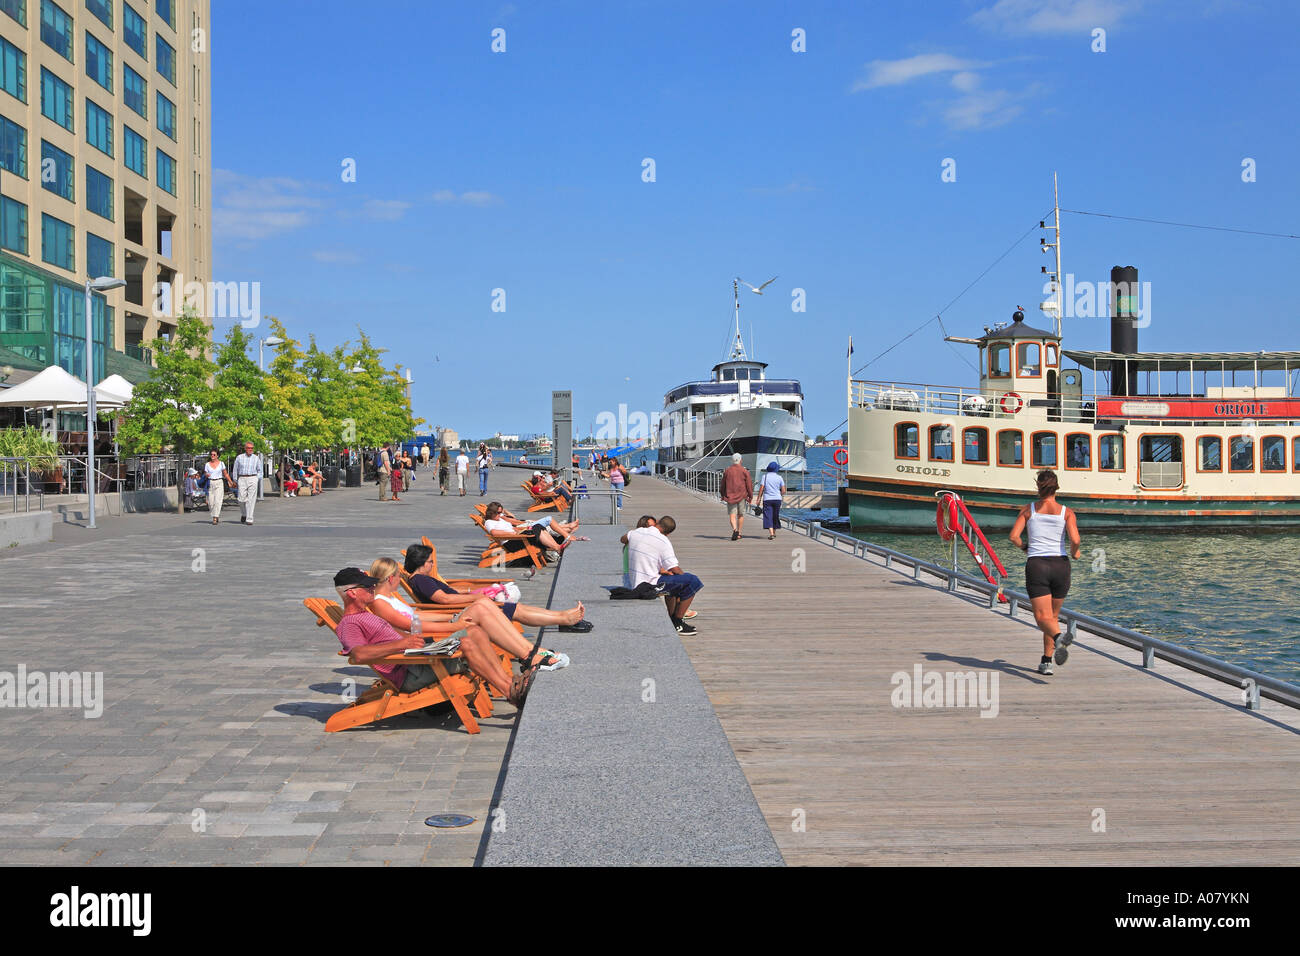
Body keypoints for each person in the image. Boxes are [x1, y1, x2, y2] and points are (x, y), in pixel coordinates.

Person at [332, 567, 538, 708]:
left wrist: (422, 639)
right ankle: (510, 693)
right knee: (466, 642)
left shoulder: (365, 614)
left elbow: (394, 636)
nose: (372, 589)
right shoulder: (349, 623)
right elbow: (359, 655)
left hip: (417, 656)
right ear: (351, 593)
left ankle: (509, 681)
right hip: (410, 671)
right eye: (367, 587)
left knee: (475, 630)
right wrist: (403, 643)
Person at [402, 544, 593, 632]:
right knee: (516, 610)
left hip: (467, 606)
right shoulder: (421, 580)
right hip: (464, 611)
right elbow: (445, 600)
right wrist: (479, 599)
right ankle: (563, 619)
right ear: (421, 563)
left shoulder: (422, 578)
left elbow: (450, 593)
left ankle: (562, 616)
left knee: (517, 608)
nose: (432, 564)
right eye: (430, 561)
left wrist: (478, 591)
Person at [1009, 469, 1082, 676]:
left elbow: (1014, 536)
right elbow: (1075, 540)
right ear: (1056, 487)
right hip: (1061, 566)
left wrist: (1025, 547)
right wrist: (1075, 553)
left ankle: (1059, 638)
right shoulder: (1066, 512)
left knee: (1042, 618)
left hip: (1038, 564)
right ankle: (1046, 661)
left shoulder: (1029, 510)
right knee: (1052, 616)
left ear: (1038, 487)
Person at [622, 515, 701, 635]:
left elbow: (623, 539)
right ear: (668, 533)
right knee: (693, 581)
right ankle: (678, 622)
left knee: (672, 580)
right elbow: (674, 568)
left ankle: (672, 618)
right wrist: (682, 577)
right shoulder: (663, 540)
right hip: (648, 585)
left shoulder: (638, 531)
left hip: (634, 581)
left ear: (657, 522)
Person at [483, 501, 578, 555]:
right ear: (492, 512)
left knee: (538, 527)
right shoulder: (489, 522)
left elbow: (512, 528)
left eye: (501, 512)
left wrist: (520, 529)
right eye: (498, 513)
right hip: (512, 543)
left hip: (517, 537)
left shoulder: (500, 520)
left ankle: (558, 546)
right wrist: (513, 534)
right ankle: (558, 547)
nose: (500, 515)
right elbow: (494, 533)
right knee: (537, 528)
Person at [721, 452, 754, 541]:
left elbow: (723, 484)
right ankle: (739, 533)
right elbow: (749, 485)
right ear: (741, 460)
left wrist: (722, 494)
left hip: (730, 496)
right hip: (742, 496)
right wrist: (750, 496)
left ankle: (734, 530)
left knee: (732, 515)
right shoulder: (744, 471)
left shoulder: (727, 471)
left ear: (732, 460)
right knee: (740, 515)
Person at [232, 441, 263, 525]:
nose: (250, 449)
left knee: (251, 500)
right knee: (241, 499)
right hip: (242, 478)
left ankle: (249, 518)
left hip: (252, 477)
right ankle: (244, 514)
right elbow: (235, 470)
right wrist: (235, 480)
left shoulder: (256, 458)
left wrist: (257, 478)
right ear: (245, 448)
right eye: (248, 448)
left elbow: (260, 471)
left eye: (252, 448)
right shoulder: (239, 457)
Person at [203, 450, 233, 525]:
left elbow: (225, 474)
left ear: (217, 456)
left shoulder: (221, 464)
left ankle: (215, 517)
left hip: (219, 482)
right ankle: (215, 514)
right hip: (211, 482)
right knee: (211, 502)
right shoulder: (207, 464)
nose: (212, 456)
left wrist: (230, 481)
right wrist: (206, 474)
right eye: (211, 454)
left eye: (214, 454)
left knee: (218, 501)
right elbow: (205, 473)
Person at [757, 461, 786, 540]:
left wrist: (758, 498)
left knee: (768, 516)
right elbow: (783, 490)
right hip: (777, 499)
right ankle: (774, 532)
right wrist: (779, 493)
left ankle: (771, 533)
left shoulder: (765, 477)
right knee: (775, 516)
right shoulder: (779, 477)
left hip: (767, 499)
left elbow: (761, 488)